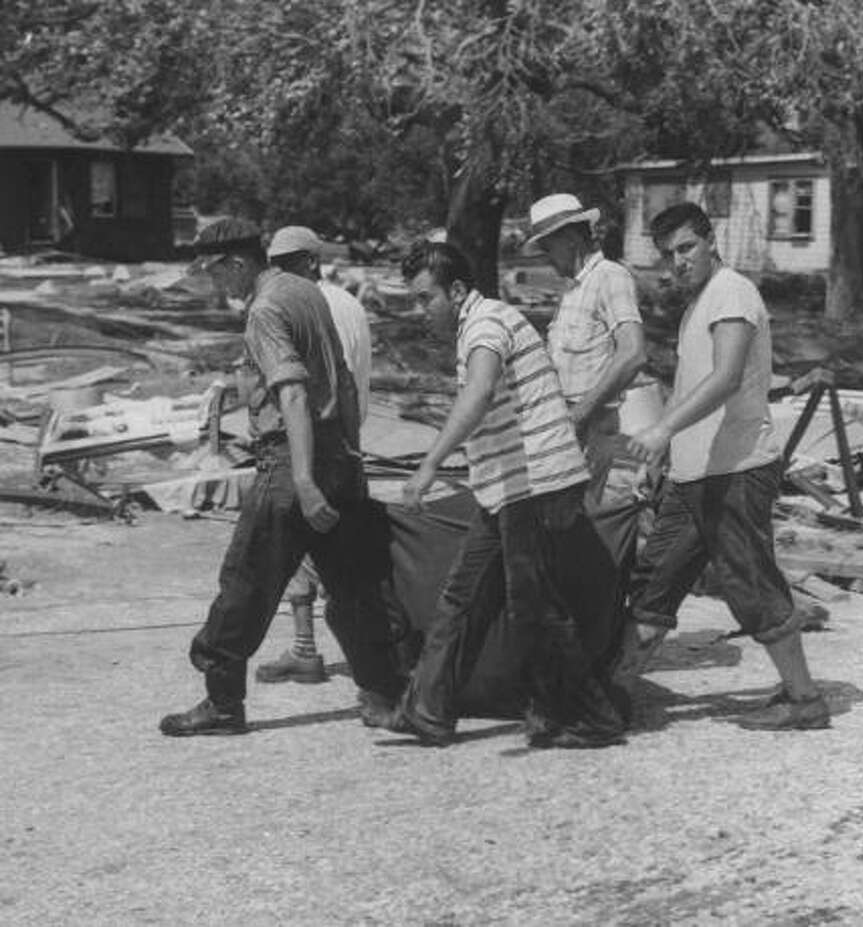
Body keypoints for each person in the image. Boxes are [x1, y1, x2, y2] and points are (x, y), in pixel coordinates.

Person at [159, 218, 401, 736]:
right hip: (336, 457)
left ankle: (223, 704)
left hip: (291, 466)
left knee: (244, 585)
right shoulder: (305, 291)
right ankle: (383, 695)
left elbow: (292, 393)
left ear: (237, 263)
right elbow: (343, 381)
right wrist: (351, 457)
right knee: (353, 587)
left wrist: (306, 481)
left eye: (216, 272)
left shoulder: (265, 310)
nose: (216, 284)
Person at [387, 241, 626, 749]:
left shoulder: (487, 322)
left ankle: (591, 717)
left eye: (426, 298)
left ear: (456, 291)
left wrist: (429, 465)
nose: (420, 310)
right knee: (462, 598)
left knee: (534, 609)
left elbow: (479, 392)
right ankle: (427, 711)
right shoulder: (477, 325)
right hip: (506, 487)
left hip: (536, 484)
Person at [618, 202, 832, 731]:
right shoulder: (698, 305)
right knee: (654, 581)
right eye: (669, 254)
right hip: (693, 475)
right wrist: (663, 450)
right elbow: (688, 388)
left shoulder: (732, 292)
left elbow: (727, 377)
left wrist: (661, 431)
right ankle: (612, 696)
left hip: (735, 469)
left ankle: (805, 701)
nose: (679, 262)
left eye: (687, 248)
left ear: (711, 241)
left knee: (750, 583)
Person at [253, 226, 373, 687]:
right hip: (345, 441)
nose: (279, 275)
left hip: (313, 444)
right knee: (341, 556)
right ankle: (369, 663)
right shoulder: (348, 303)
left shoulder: (299, 305)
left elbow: (312, 388)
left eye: (285, 265)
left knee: (305, 552)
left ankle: (316, 650)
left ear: (308, 262)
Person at [524, 193, 646, 504]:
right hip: (567, 428)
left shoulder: (610, 277)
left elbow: (633, 353)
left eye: (548, 248)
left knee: (582, 514)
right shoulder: (574, 288)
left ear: (570, 239)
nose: (547, 259)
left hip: (591, 428)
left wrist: (579, 414)